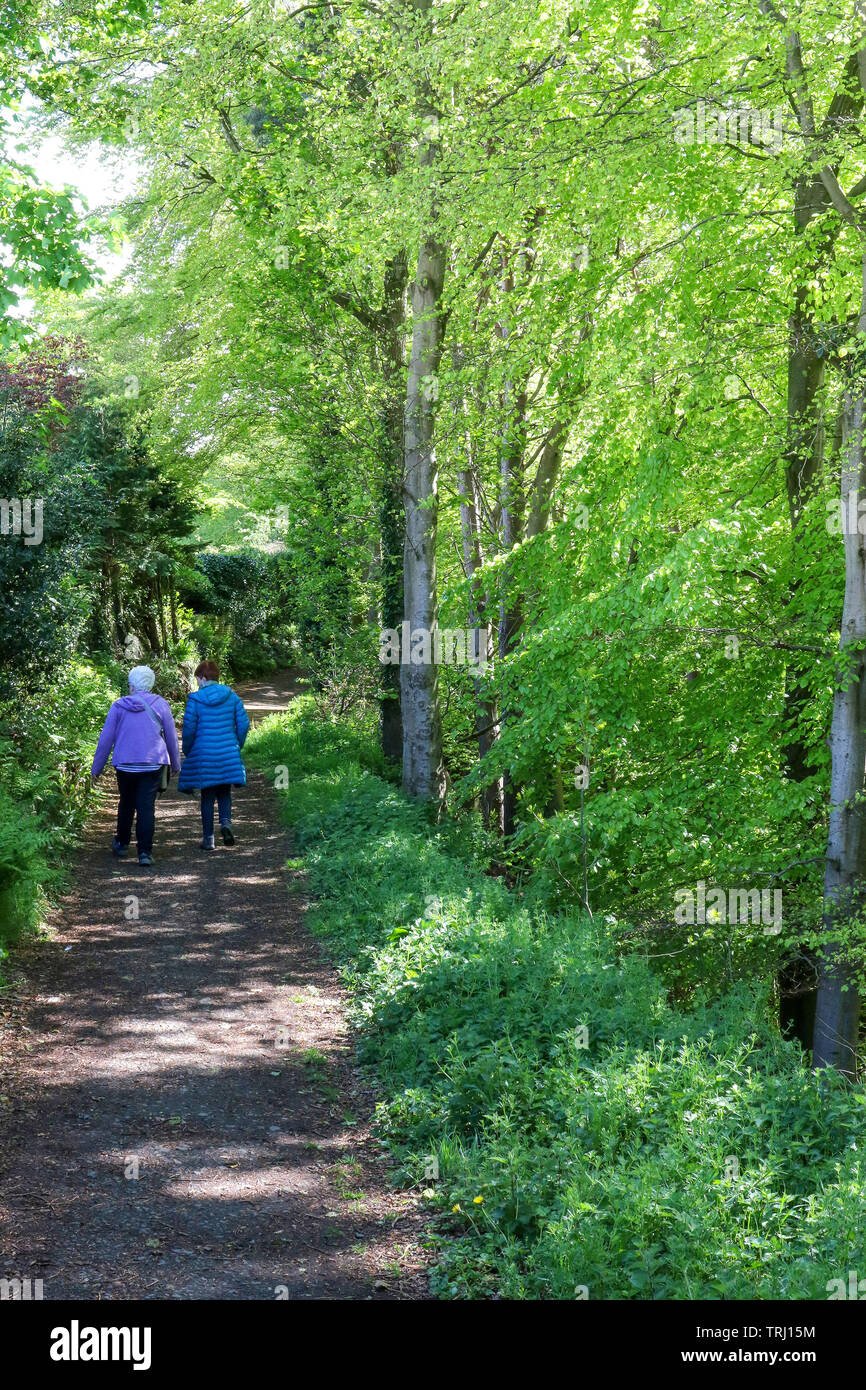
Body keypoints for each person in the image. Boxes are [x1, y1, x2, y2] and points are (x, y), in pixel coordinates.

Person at [91, 665, 180, 867]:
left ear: (131, 685)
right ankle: (145, 853)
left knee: (126, 803)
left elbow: (106, 739)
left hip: (125, 764)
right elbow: (171, 737)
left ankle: (122, 844)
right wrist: (175, 763)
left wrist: (96, 768)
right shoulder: (161, 704)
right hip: (152, 763)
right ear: (151, 684)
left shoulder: (118, 706)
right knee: (146, 807)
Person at [177, 661, 250, 851]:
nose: (197, 683)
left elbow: (189, 730)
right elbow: (243, 725)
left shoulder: (195, 700)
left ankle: (208, 839)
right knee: (225, 792)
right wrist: (236, 745)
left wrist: (188, 750)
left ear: (202, 678)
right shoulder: (232, 697)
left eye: (197, 679)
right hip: (227, 754)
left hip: (204, 756)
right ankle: (226, 824)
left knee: (207, 796)